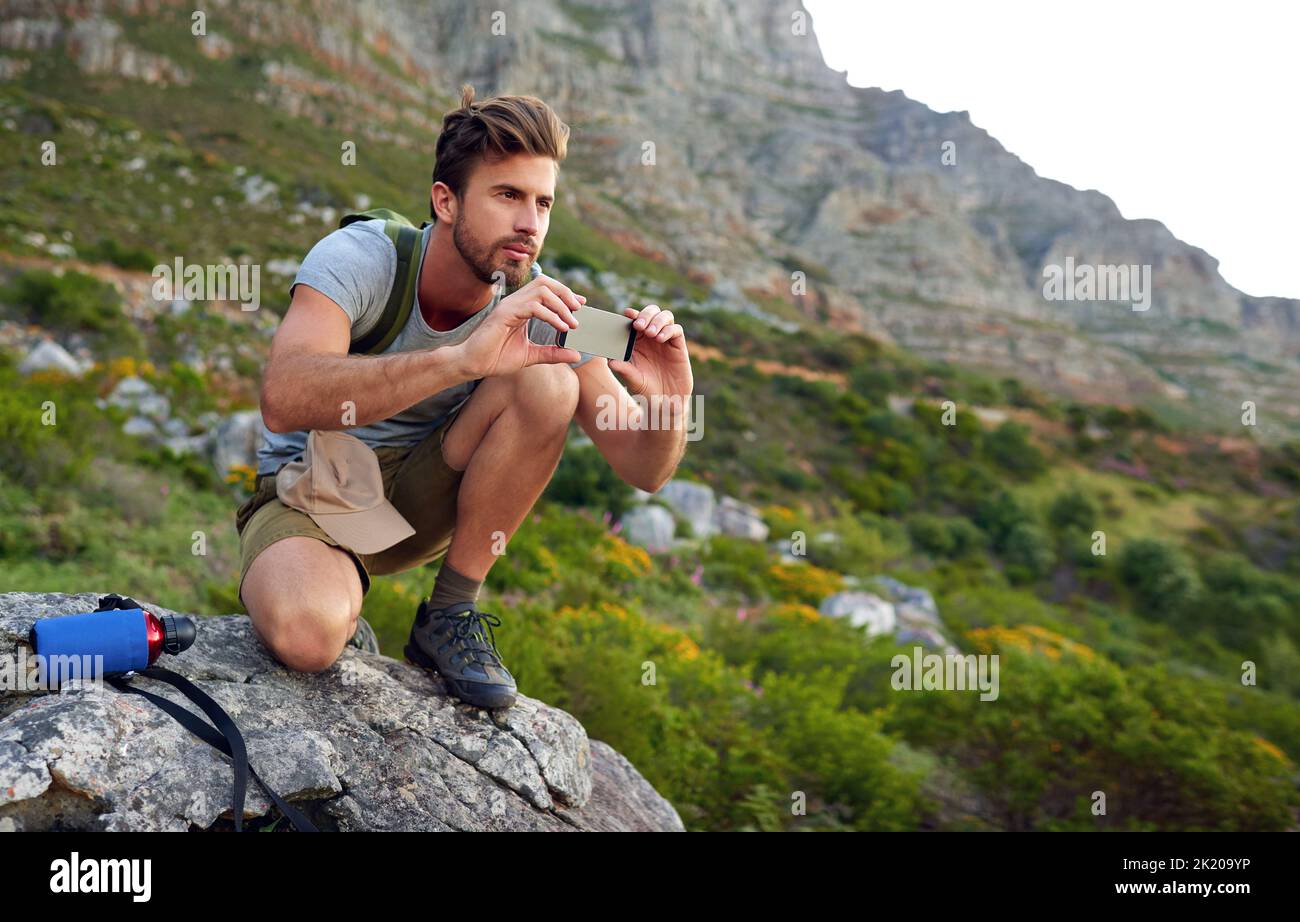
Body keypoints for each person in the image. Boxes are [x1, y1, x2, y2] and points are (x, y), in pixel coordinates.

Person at [233, 84, 694, 709]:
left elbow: (644, 469)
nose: (530, 223)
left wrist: (670, 398)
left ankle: (448, 615)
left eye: (543, 203)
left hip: (424, 496)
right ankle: (339, 608)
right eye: (507, 196)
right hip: (317, 493)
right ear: (445, 201)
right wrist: (458, 361)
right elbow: (284, 397)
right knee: (308, 637)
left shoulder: (543, 305)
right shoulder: (365, 259)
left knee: (548, 377)